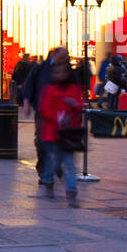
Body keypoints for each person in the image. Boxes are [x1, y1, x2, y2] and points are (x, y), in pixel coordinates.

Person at [37, 54, 83, 206]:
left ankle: (71, 192)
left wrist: (75, 106)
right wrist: (57, 118)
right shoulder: (49, 89)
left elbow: (79, 106)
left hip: (68, 133)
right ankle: (48, 181)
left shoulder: (74, 89)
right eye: (57, 72)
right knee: (54, 162)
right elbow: (44, 109)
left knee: (70, 164)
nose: (60, 75)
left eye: (63, 72)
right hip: (53, 131)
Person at [22, 47, 69, 178]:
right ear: (54, 55)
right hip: (42, 110)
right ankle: (43, 169)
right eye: (62, 57)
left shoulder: (67, 69)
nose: (64, 60)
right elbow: (29, 85)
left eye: (65, 57)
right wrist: (26, 102)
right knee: (41, 139)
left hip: (61, 112)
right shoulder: (40, 68)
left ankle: (57, 163)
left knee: (60, 138)